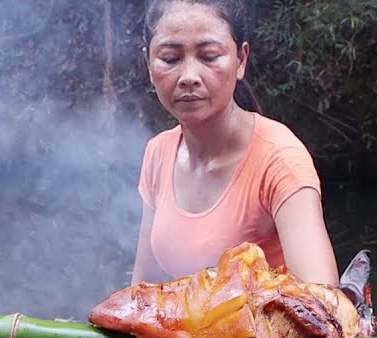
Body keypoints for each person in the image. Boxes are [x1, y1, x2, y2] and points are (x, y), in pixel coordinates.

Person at [133, 0, 340, 287]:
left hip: (268, 318)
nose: (189, 77)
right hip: (181, 317)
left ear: (241, 60)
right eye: (170, 59)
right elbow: (142, 292)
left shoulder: (279, 158)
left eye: (209, 56)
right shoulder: (158, 152)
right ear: (148, 64)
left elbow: (321, 300)